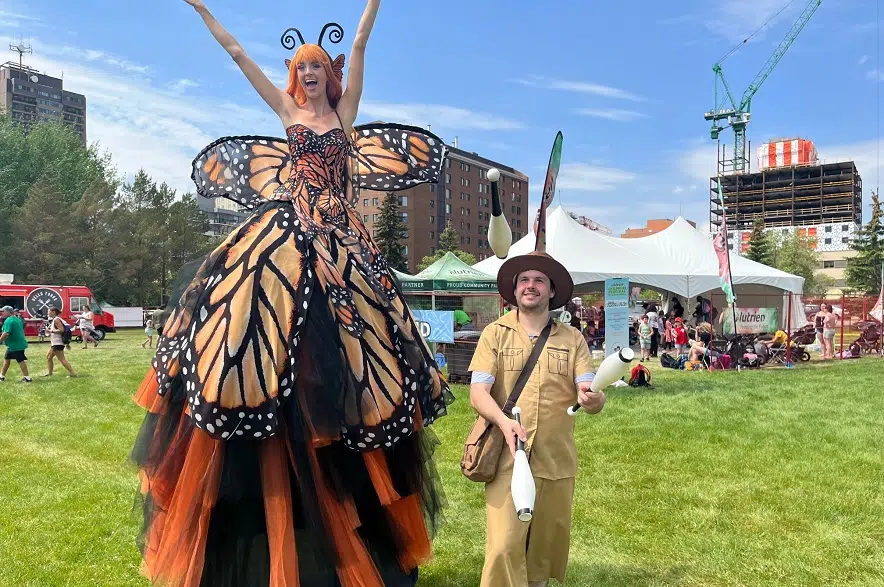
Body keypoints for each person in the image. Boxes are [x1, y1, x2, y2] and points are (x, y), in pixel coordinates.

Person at [130, 2, 452, 585]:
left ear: (328, 75)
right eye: (300, 70)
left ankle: (349, 462)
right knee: (252, 319)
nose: (307, 77)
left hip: (342, 240)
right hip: (287, 229)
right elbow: (237, 56)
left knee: (364, 348)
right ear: (292, 78)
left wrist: (371, 9)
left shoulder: (347, 114)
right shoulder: (286, 111)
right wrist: (204, 11)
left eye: (315, 69)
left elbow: (358, 48)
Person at [468, 251, 604, 587]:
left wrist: (593, 398)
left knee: (540, 556)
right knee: (503, 548)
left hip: (556, 461)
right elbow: (478, 393)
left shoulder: (572, 339)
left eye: (539, 280)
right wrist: (503, 421)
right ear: (514, 291)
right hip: (507, 460)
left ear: (551, 290)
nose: (531, 286)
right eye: (524, 280)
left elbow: (588, 389)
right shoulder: (494, 334)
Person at [0, 306, 31, 383]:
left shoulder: (9, 321)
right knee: (7, 360)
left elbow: (6, 333)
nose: (2, 313)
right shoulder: (17, 319)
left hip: (15, 345)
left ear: (8, 312)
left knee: (20, 360)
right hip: (16, 344)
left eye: (3, 311)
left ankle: (27, 378)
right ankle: (1, 377)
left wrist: (0, 340)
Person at [43, 307, 76, 378]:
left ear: (54, 312)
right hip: (55, 343)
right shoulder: (55, 320)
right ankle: (50, 373)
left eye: (49, 311)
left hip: (58, 343)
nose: (47, 313)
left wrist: (51, 331)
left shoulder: (57, 320)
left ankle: (73, 373)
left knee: (61, 359)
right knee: (49, 357)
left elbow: (62, 330)